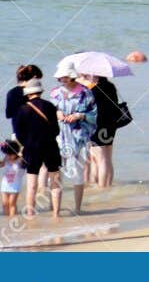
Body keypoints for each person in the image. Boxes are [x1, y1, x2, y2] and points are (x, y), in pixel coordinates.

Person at [49, 59, 95, 215]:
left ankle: (77, 208)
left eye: (63, 76)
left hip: (78, 138)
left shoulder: (85, 93)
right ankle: (55, 209)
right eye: (59, 77)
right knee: (55, 172)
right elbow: (49, 112)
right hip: (58, 136)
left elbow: (94, 115)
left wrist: (79, 115)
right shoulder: (55, 93)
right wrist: (57, 113)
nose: (60, 79)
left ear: (70, 76)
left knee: (77, 173)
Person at [13, 78, 58, 219]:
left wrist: (27, 142)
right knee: (55, 182)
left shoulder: (22, 109)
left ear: (28, 93)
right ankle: (56, 214)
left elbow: (19, 134)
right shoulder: (50, 106)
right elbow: (56, 130)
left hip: (31, 149)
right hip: (50, 147)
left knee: (32, 184)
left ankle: (31, 214)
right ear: (40, 91)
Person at [88, 72, 126, 189]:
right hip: (111, 124)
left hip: (98, 125)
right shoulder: (111, 86)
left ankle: (101, 187)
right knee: (107, 157)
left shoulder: (94, 90)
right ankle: (107, 185)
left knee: (99, 158)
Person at [1, 140, 20, 218]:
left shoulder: (20, 161)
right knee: (5, 203)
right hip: (5, 185)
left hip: (15, 186)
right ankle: (6, 218)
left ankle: (12, 218)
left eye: (10, 154)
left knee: (12, 203)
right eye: (7, 154)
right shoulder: (5, 160)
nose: (9, 156)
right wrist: (5, 158)